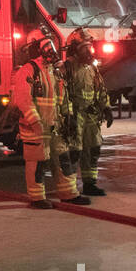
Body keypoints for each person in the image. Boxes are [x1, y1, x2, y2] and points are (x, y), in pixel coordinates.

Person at [11, 33, 90, 209]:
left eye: (51, 45)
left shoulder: (54, 72)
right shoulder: (28, 70)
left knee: (63, 159)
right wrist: (36, 123)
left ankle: (69, 194)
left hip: (55, 127)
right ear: (36, 48)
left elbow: (63, 97)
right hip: (36, 129)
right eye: (46, 45)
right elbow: (23, 100)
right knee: (38, 163)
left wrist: (68, 116)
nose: (51, 50)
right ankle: (37, 198)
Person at [63, 28, 113, 196]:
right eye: (84, 47)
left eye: (89, 46)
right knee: (74, 152)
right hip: (75, 115)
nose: (88, 51)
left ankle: (90, 184)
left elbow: (100, 88)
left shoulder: (92, 67)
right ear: (75, 49)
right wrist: (68, 116)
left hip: (91, 115)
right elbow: (62, 94)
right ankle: (69, 188)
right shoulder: (67, 68)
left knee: (93, 149)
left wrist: (106, 107)